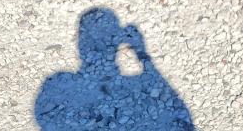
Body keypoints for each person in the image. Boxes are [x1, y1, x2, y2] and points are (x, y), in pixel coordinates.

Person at [35, 8, 193, 130]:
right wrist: (142, 55)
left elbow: (43, 118)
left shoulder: (58, 84)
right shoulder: (135, 84)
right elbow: (176, 107)